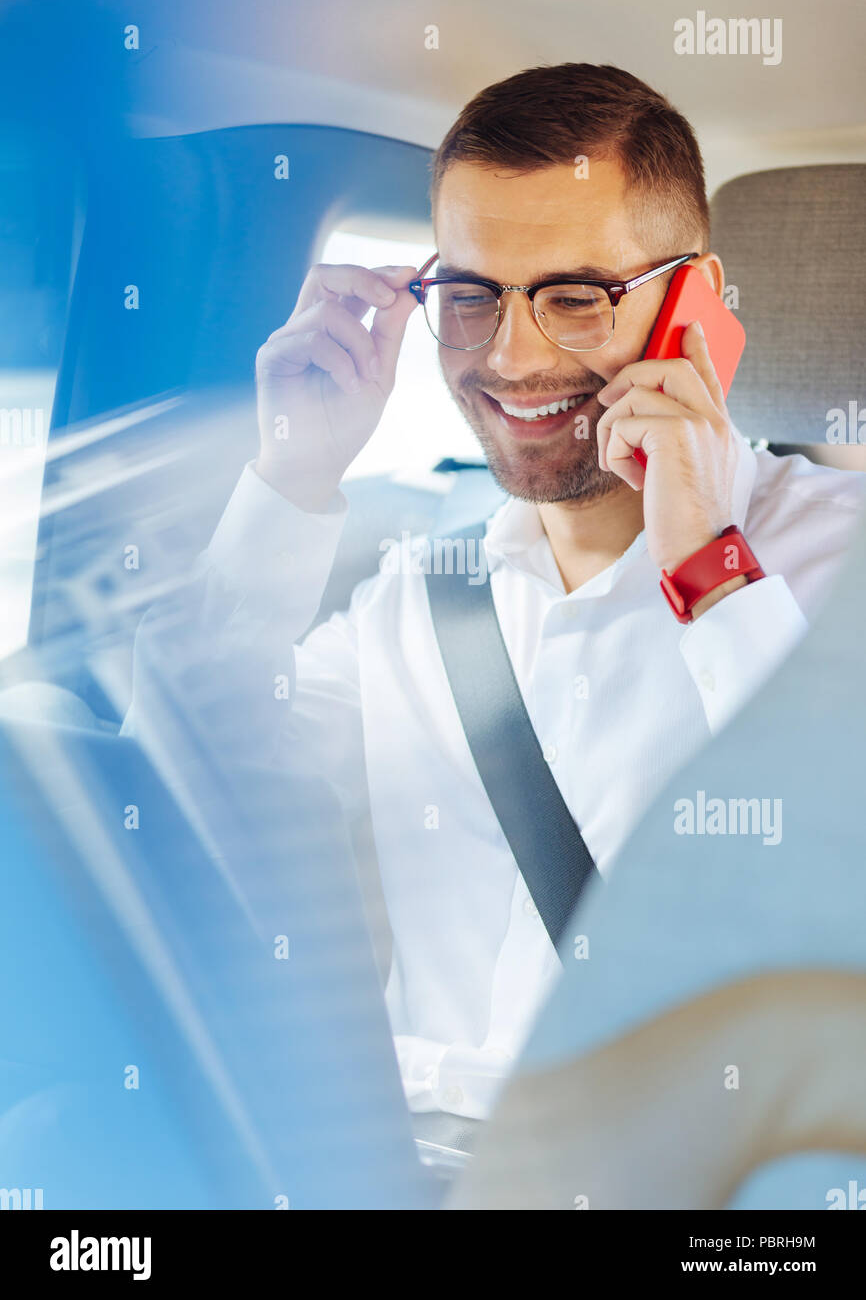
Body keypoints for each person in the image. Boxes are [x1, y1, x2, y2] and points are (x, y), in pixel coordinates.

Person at [125, 63, 864, 1129]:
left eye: (574, 296)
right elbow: (172, 798)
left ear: (691, 300)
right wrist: (288, 480)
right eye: (470, 297)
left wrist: (705, 560)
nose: (512, 359)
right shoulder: (420, 601)